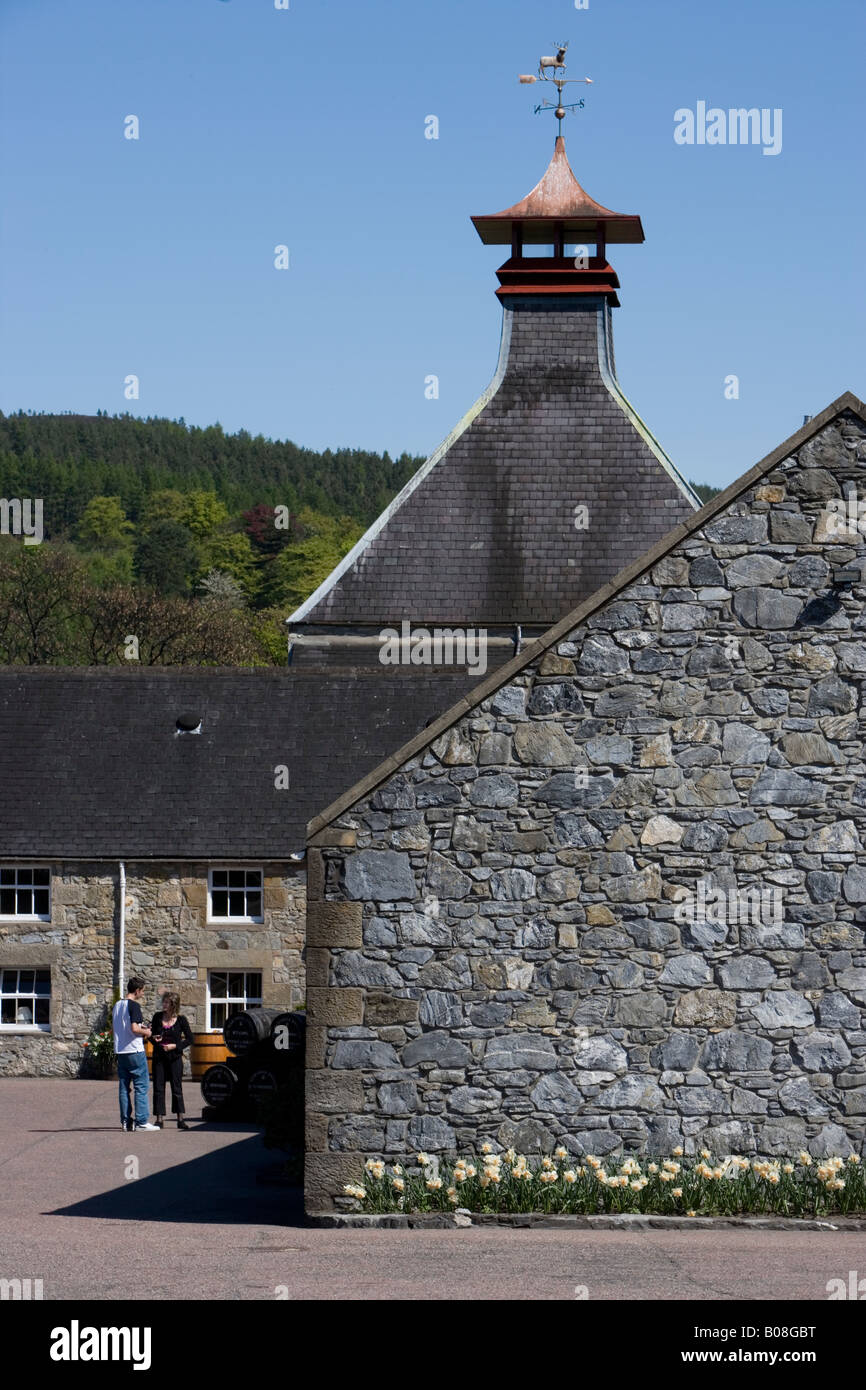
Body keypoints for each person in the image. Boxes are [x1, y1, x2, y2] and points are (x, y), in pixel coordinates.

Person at [112, 978, 159, 1132]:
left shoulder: (117, 1005)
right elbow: (134, 1029)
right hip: (135, 1050)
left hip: (121, 1051)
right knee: (141, 1086)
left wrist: (141, 1027)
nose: (143, 993)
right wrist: (148, 1032)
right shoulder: (134, 1006)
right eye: (143, 991)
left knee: (124, 1088)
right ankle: (142, 1121)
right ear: (137, 990)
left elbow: (124, 1026)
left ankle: (126, 1122)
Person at [149, 991, 194, 1130]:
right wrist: (155, 1040)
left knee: (177, 1088)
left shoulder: (181, 1020)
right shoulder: (157, 1017)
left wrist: (175, 1046)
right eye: (164, 1001)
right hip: (159, 1058)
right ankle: (159, 1119)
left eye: (167, 1002)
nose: (164, 1004)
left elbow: (190, 1039)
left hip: (175, 1058)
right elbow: (150, 1035)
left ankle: (180, 1119)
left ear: (174, 1005)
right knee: (158, 1087)